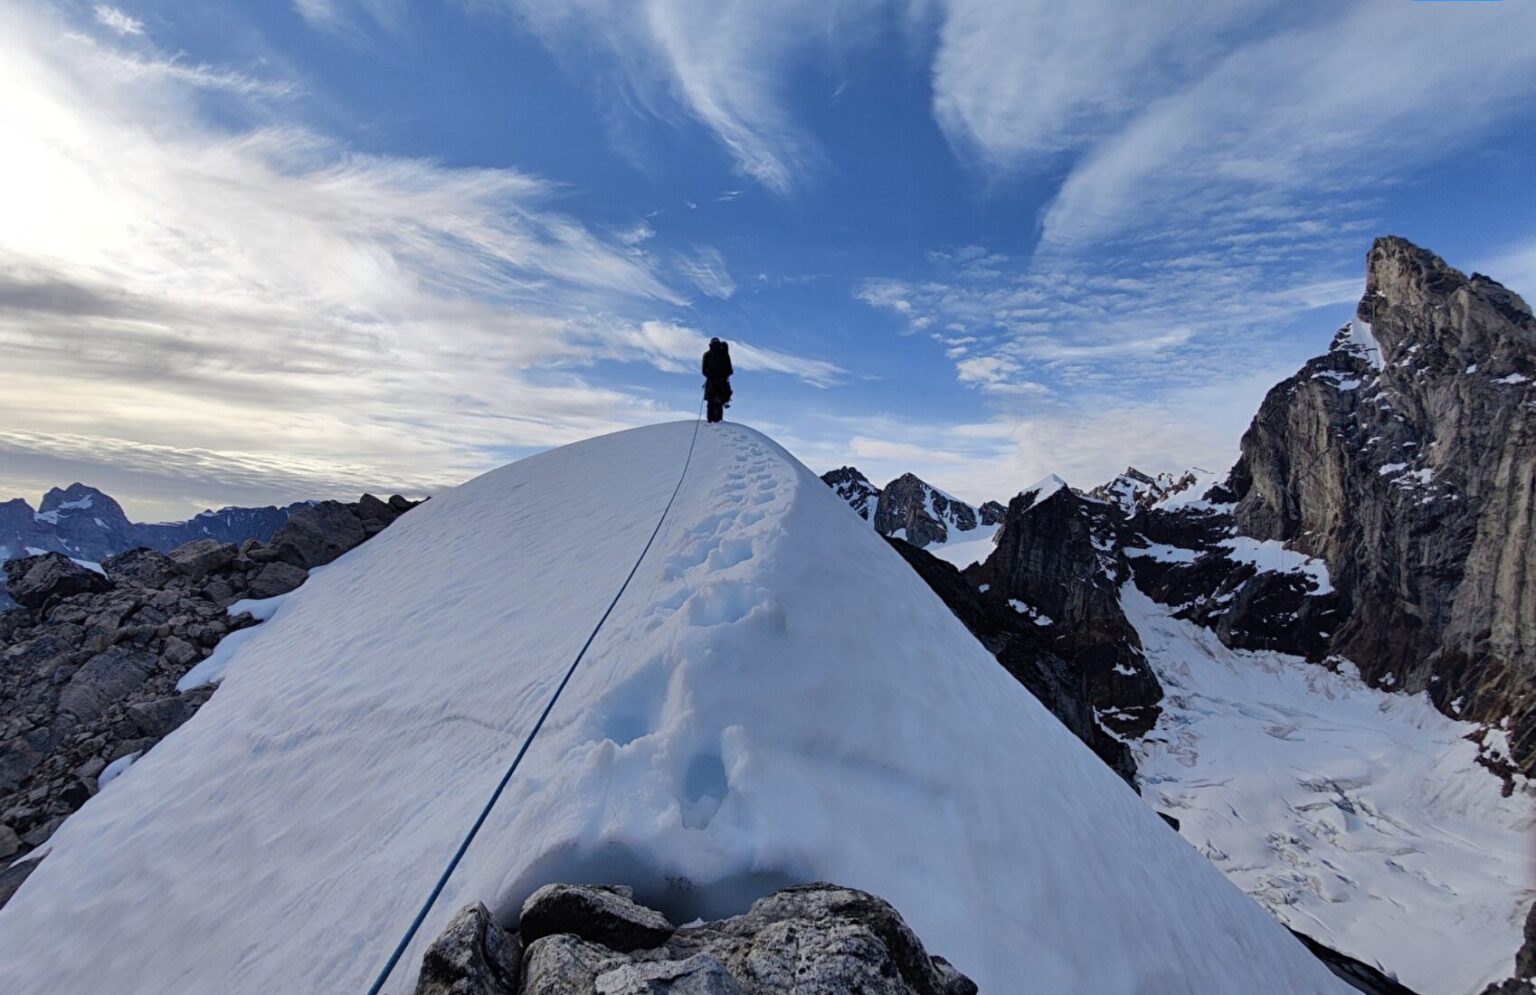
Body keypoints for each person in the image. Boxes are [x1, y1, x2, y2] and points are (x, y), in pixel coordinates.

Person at [702, 337, 733, 423]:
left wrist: (710, 376)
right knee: (719, 402)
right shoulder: (724, 354)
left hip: (711, 382)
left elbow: (704, 371)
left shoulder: (707, 355)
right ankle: (718, 421)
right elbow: (730, 370)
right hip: (723, 382)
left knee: (711, 402)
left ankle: (710, 421)